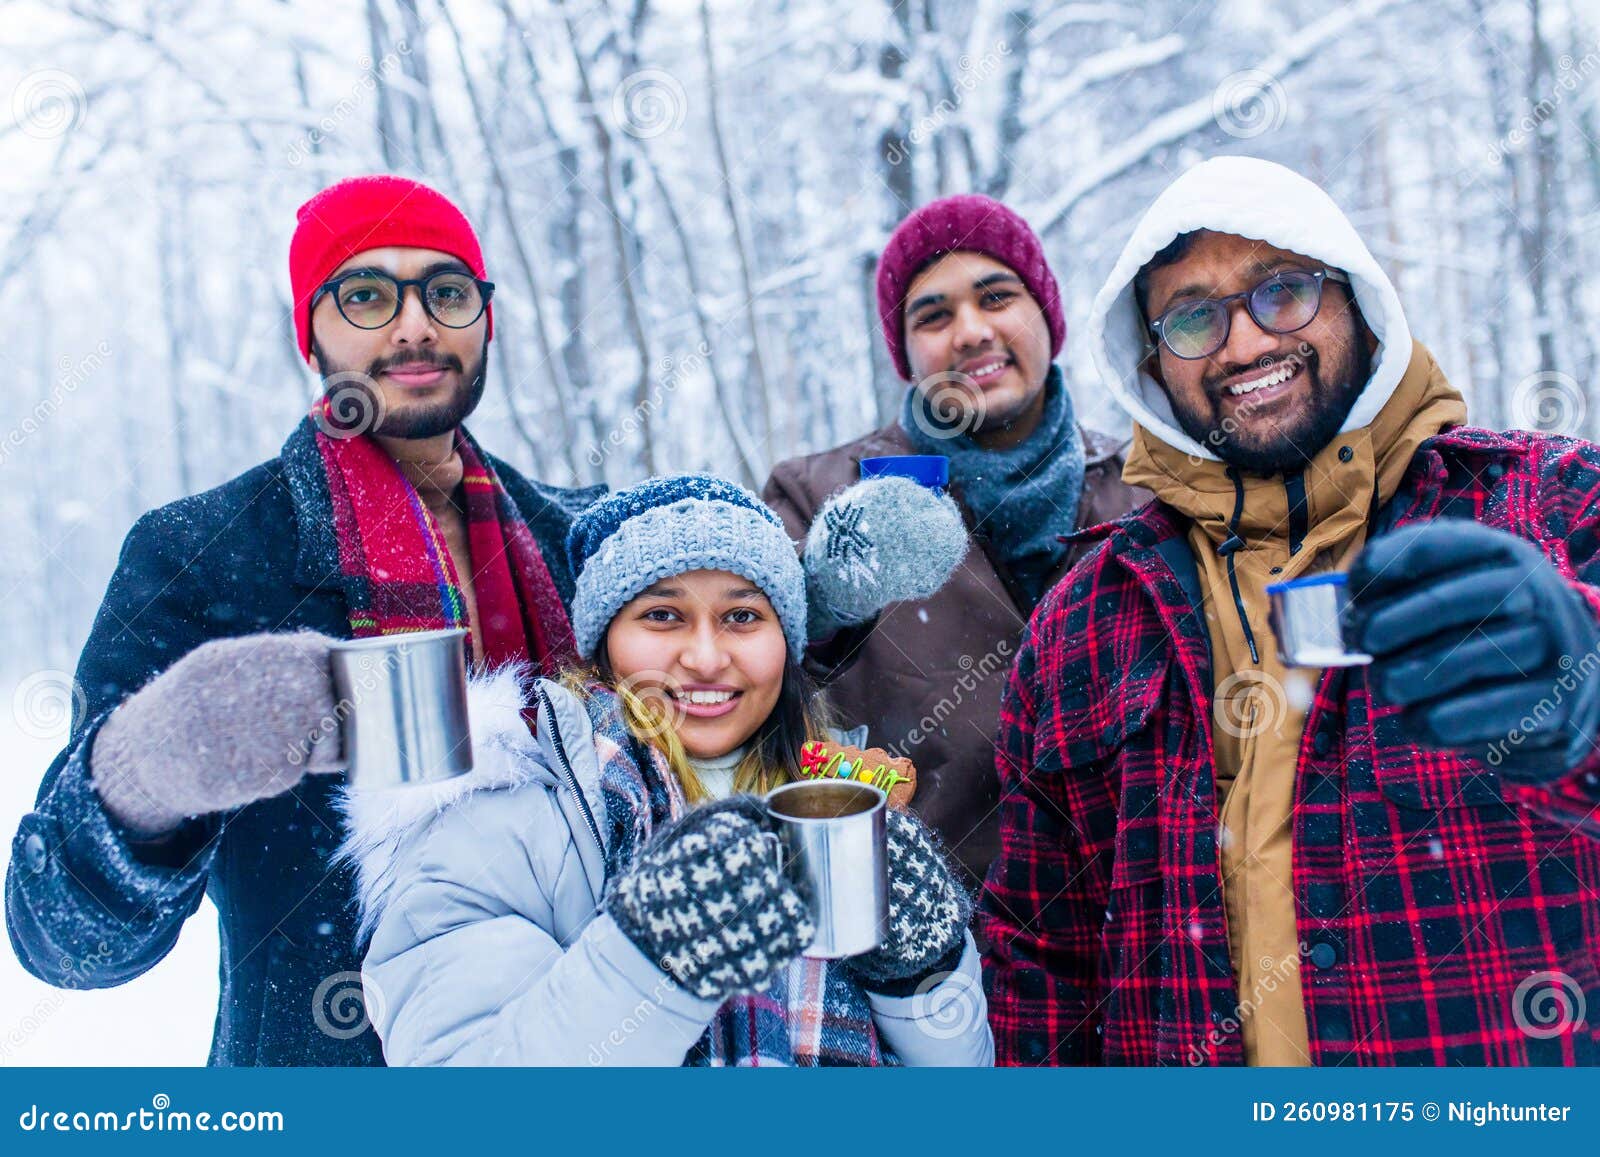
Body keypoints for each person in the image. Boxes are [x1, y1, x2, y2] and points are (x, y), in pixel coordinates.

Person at [982, 155, 1600, 1067]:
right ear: (1152, 361)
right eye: (1193, 317)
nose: (1241, 345)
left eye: (1283, 290)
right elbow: (1040, 963)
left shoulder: (1554, 507)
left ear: (1356, 298)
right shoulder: (1085, 619)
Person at [5, 176, 602, 1065]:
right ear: (310, 332)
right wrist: (148, 769)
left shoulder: (580, 543)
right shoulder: (202, 554)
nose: (413, 326)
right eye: (365, 294)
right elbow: (60, 940)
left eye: (448, 292)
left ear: (486, 318)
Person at [342, 475, 992, 1065]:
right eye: (662, 615)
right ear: (604, 641)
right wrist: (652, 954)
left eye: (742, 616)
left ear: (786, 641)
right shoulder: (501, 818)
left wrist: (925, 972)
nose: (706, 657)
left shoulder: (831, 802)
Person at [764, 194, 1146, 891]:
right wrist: (822, 605)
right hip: (920, 955)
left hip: (1141, 942)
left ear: (1047, 318)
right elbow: (752, 692)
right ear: (906, 354)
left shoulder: (1153, 489)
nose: (970, 332)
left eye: (996, 296)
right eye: (933, 315)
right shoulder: (816, 497)